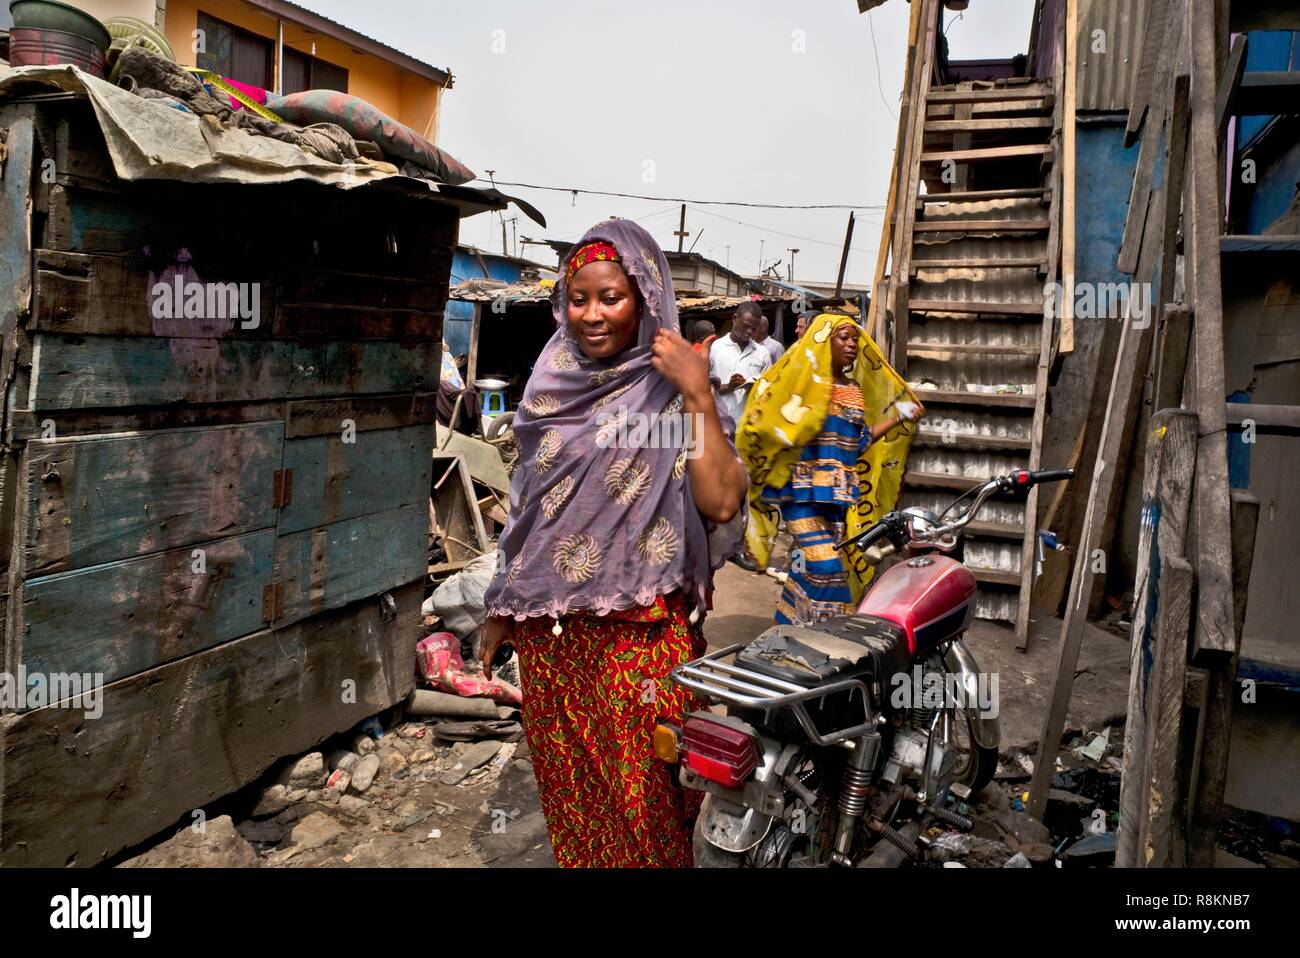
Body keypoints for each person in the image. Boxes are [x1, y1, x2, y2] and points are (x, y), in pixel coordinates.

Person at [479, 220, 748, 868]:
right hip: (552, 649)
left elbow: (722, 501)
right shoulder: (553, 386)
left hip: (639, 646)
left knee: (650, 816)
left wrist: (697, 394)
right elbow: (530, 514)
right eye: (579, 298)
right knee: (576, 809)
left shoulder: (670, 391)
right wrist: (500, 612)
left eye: (611, 297)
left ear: (646, 299)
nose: (591, 314)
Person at [737, 313, 923, 625]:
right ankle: (828, 633)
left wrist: (900, 416)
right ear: (826, 343)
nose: (852, 344)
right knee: (827, 567)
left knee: (810, 569)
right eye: (844, 338)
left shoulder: (853, 390)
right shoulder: (804, 385)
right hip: (802, 497)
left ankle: (787, 629)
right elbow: (772, 420)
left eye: (855, 338)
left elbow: (859, 442)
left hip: (837, 499)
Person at [708, 301, 771, 426]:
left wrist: (755, 389)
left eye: (754, 328)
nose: (749, 332)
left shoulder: (763, 354)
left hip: (746, 427)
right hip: (716, 425)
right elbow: (701, 388)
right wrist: (728, 387)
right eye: (746, 326)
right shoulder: (715, 347)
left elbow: (769, 393)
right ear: (734, 318)